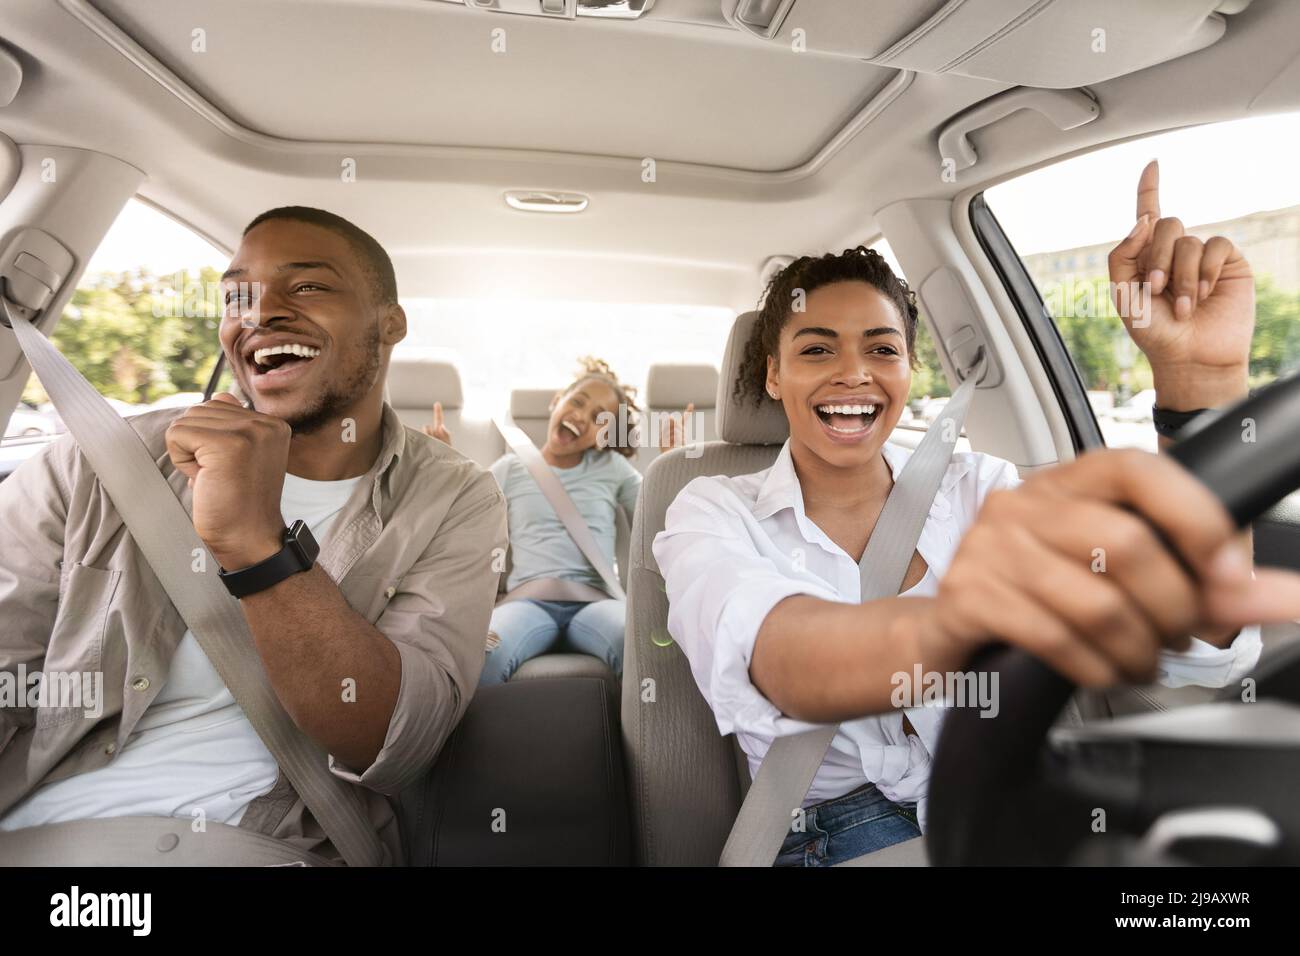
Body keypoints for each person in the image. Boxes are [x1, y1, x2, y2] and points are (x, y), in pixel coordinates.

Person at [652, 163, 1300, 867]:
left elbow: (1197, 644)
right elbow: (779, 655)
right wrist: (972, 621)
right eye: (816, 350)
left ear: (909, 371)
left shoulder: (976, 486)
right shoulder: (709, 509)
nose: (855, 373)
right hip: (830, 835)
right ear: (773, 375)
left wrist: (1198, 386)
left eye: (882, 348)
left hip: (1002, 799)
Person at [0, 207, 507, 865]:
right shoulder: (98, 461)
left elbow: (393, 740)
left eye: (307, 286)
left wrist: (258, 546)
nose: (260, 313)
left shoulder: (455, 495)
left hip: (259, 845)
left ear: (390, 323)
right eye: (238, 294)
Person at [453, 356, 690, 684]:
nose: (581, 416)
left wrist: (669, 465)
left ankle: (643, 737)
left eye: (598, 418)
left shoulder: (612, 469)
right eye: (577, 403)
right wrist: (441, 467)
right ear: (556, 402)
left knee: (638, 646)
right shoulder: (509, 468)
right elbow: (461, 524)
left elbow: (659, 522)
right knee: (483, 651)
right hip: (527, 602)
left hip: (594, 601)